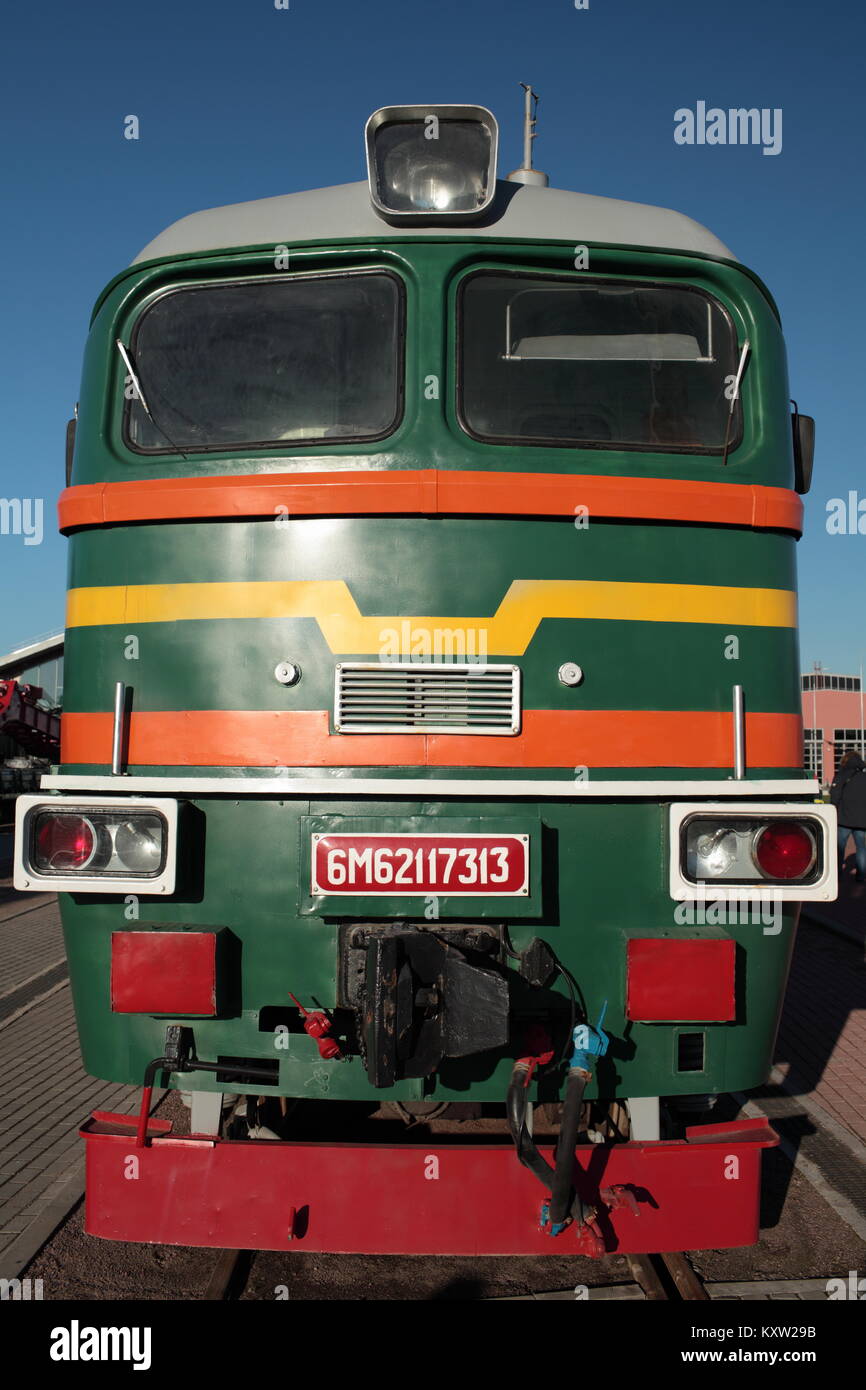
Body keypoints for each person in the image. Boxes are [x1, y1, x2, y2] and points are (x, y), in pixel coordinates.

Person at [829, 749, 866, 882]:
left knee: (839, 848)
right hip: (862, 820)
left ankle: (837, 874)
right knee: (861, 847)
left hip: (844, 819)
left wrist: (833, 811)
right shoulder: (864, 777)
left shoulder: (841, 776)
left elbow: (835, 797)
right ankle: (861, 876)